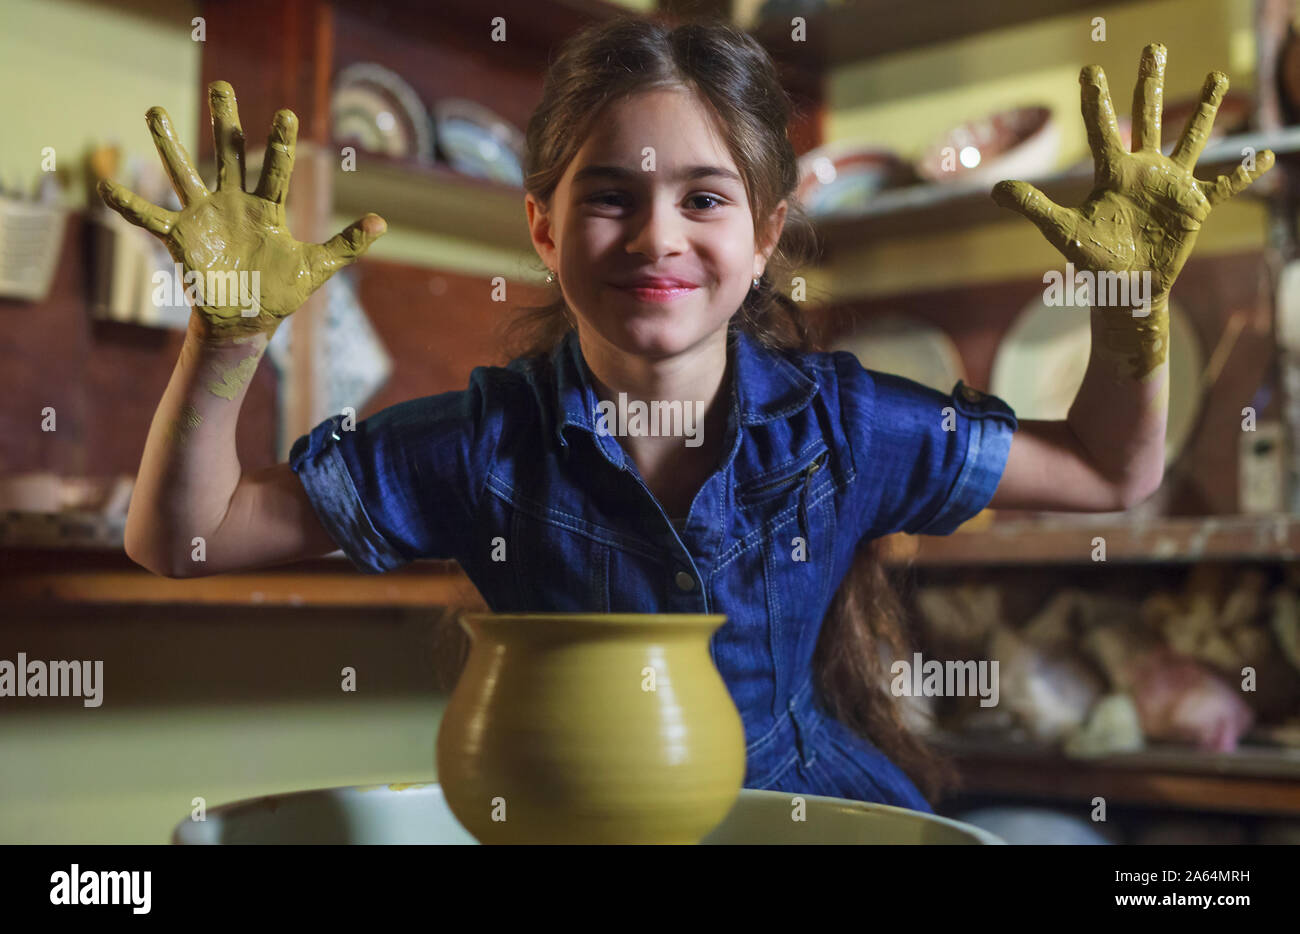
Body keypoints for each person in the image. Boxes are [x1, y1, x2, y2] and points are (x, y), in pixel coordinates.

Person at [101, 17, 1270, 813]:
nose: (658, 236)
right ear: (545, 234)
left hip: (813, 820)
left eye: (703, 199)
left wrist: (1127, 309)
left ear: (764, 236)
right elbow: (181, 538)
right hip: (559, 816)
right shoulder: (480, 440)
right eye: (610, 199)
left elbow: (1107, 471)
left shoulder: (846, 426)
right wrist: (227, 341)